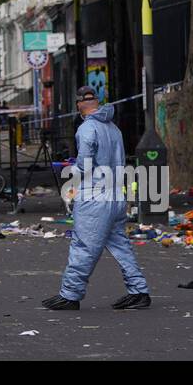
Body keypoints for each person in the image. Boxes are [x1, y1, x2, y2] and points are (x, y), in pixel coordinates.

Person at [42, 86, 151, 311]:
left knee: (83, 245)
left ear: (81, 104)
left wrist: (69, 168)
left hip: (94, 197)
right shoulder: (114, 129)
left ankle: (70, 295)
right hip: (116, 196)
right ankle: (139, 291)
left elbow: (85, 165)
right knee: (120, 245)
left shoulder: (86, 128)